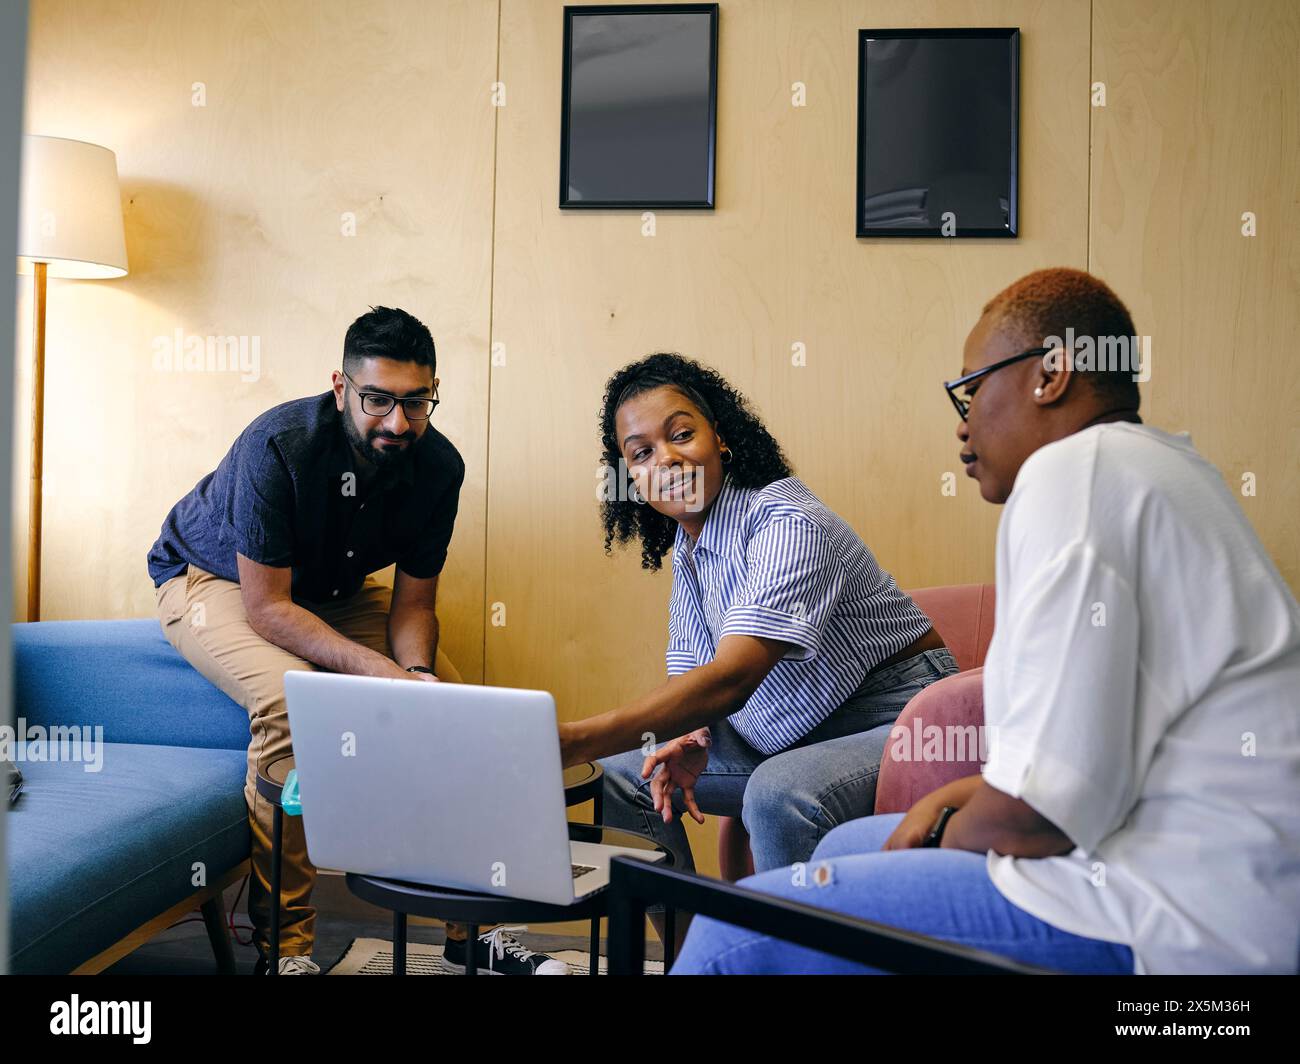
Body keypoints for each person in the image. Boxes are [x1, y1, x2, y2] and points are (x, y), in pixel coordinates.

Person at [671, 267, 1300, 975]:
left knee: (734, 936)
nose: (964, 425)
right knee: (843, 852)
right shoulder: (1163, 470)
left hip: (1177, 919)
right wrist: (952, 802)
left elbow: (1039, 815)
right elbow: (1085, 762)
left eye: (971, 390)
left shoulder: (1074, 476)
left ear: (1052, 374)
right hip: (1232, 884)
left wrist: (945, 833)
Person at [148, 306, 566, 975]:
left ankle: (473, 929)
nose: (398, 422)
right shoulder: (277, 445)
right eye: (377, 400)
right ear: (341, 388)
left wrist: (418, 676)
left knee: (460, 714)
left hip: (334, 591)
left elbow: (414, 605)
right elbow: (269, 610)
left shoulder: (439, 469)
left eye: (415, 402)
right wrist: (383, 677)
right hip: (218, 581)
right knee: (290, 709)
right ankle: (285, 954)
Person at [560, 353, 957, 952]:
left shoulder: (788, 520)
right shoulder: (693, 549)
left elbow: (733, 678)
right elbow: (691, 686)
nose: (664, 458)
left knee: (776, 792)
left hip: (897, 719)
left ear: (721, 437)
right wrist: (688, 736)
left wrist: (578, 738)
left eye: (681, 433)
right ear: (630, 479)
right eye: (640, 453)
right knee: (625, 777)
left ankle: (781, 970)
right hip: (792, 736)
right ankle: (698, 959)